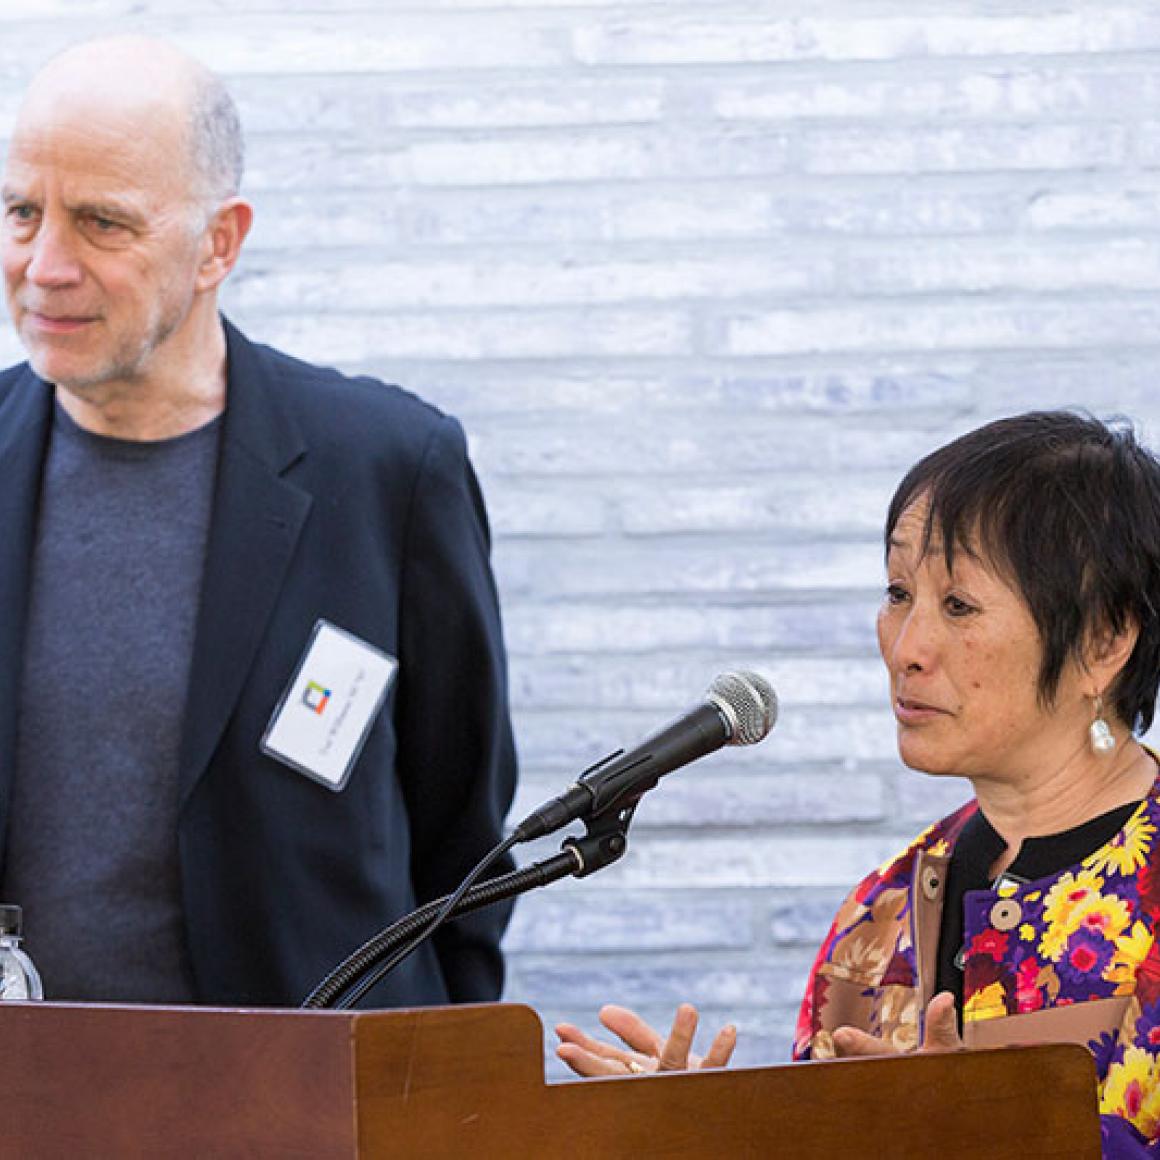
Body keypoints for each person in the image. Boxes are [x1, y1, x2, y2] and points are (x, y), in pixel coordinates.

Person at [0, 36, 517, 1008]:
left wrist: (434, 1084)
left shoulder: (390, 470)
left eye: (101, 222)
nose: (45, 265)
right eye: (22, 211)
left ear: (219, 243)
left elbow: (466, 840)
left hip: (315, 1110)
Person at [557, 410, 1160, 1157]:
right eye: (899, 593)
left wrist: (999, 1130)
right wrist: (706, 1133)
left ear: (1104, 640)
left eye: (960, 605)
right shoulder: (877, 915)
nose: (907, 649)